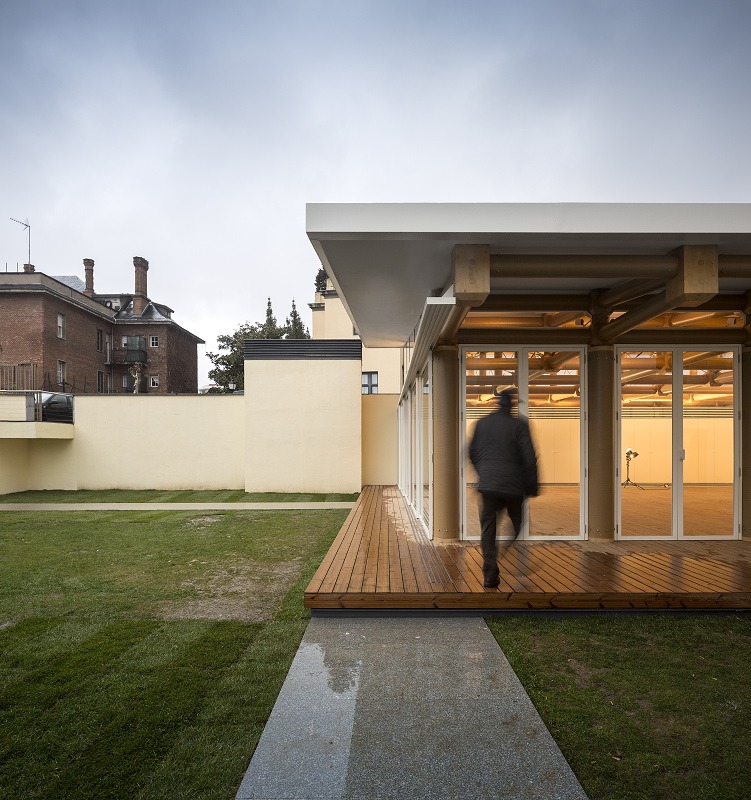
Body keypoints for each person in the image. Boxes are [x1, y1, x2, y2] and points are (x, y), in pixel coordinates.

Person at [469, 389, 539, 588]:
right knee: (518, 523)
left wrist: (483, 473)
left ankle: (490, 574)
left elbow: (472, 453)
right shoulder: (519, 425)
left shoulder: (481, 424)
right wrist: (531, 487)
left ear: (497, 404)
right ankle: (506, 549)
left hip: (488, 487)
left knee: (488, 530)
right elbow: (530, 458)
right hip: (513, 487)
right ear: (512, 407)